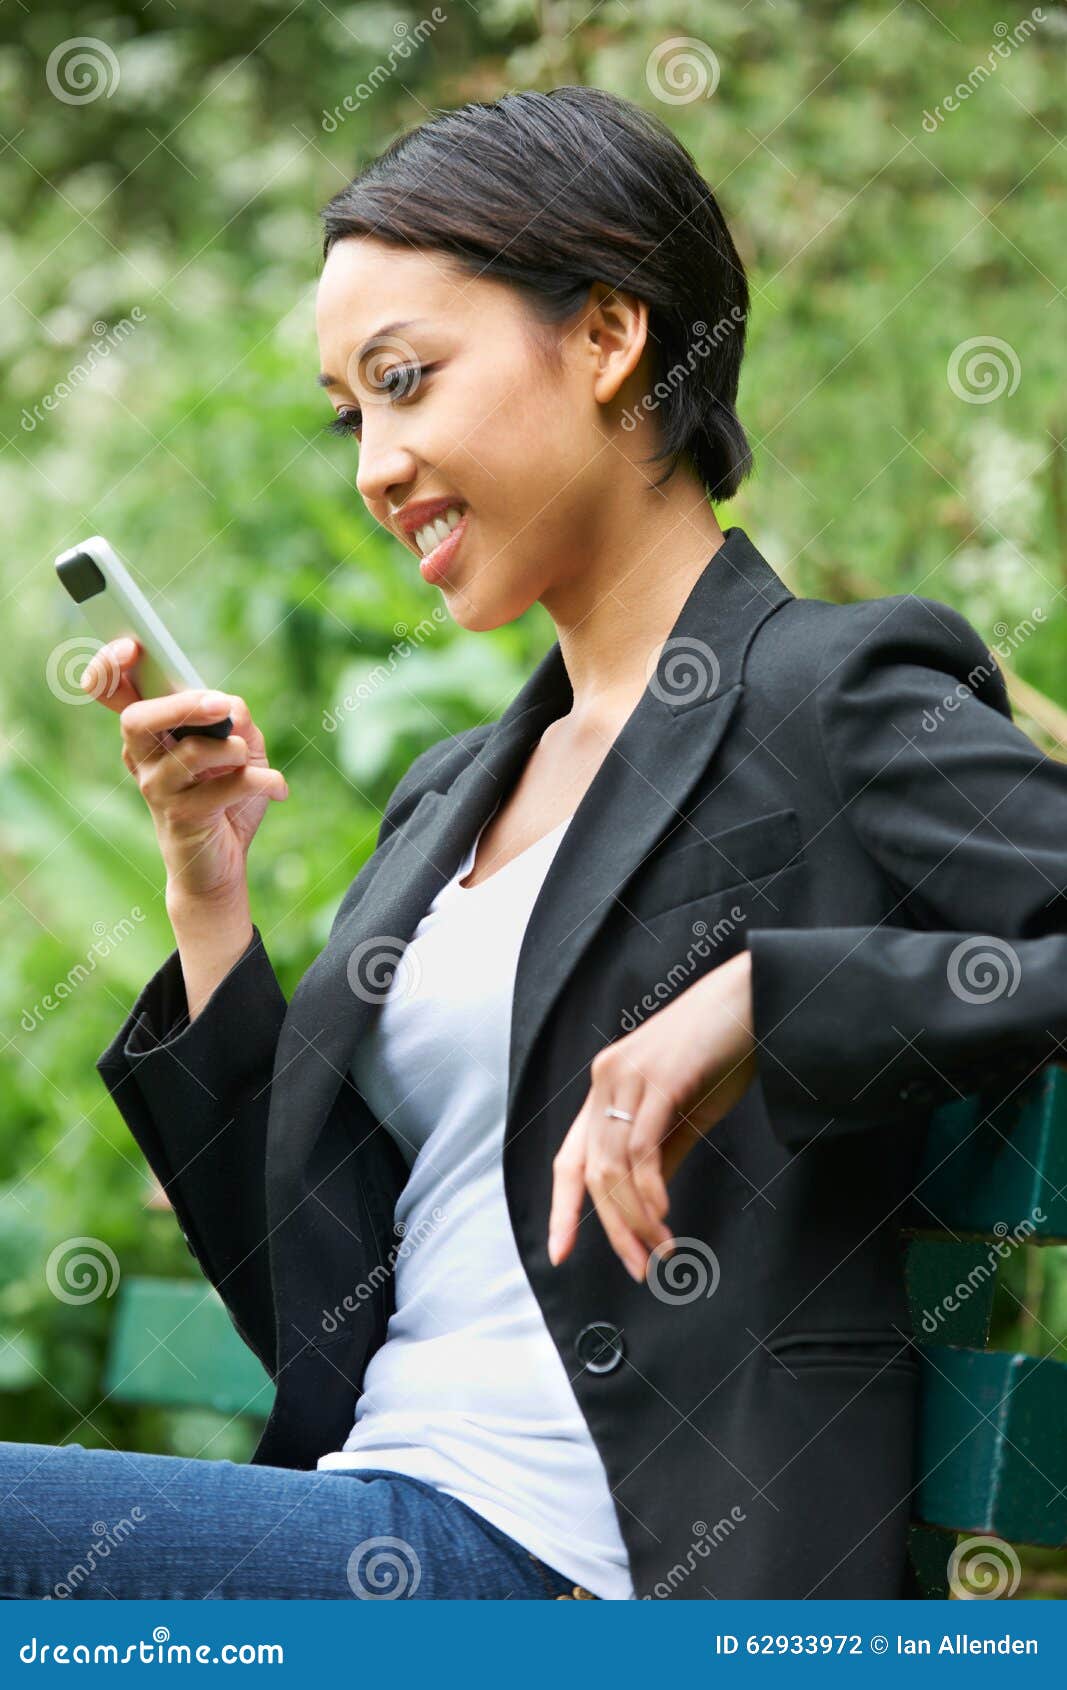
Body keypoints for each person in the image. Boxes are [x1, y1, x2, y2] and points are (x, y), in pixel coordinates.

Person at [5, 86, 1065, 1602]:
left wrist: (766, 999)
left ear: (611, 336)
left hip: (597, 1575)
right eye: (352, 413)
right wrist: (207, 886)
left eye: (405, 381)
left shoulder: (829, 696)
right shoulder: (452, 795)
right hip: (388, 1529)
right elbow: (305, 1295)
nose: (375, 464)